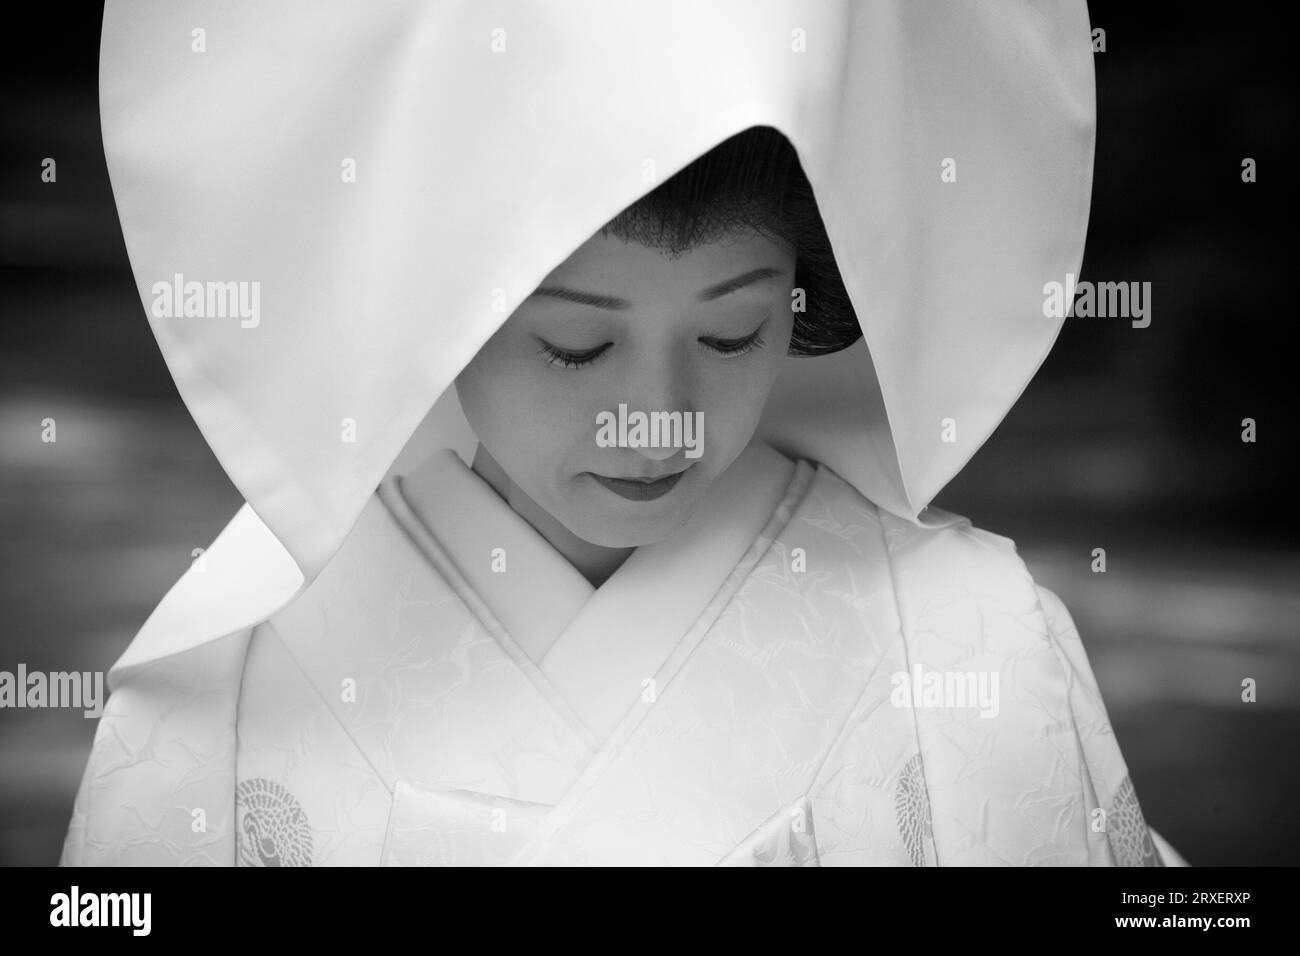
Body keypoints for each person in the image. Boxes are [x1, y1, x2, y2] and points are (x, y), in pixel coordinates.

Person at [61, 0, 1186, 866]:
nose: (660, 417)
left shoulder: (966, 636)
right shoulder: (236, 679)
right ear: (431, 310)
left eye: (736, 331)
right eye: (574, 346)